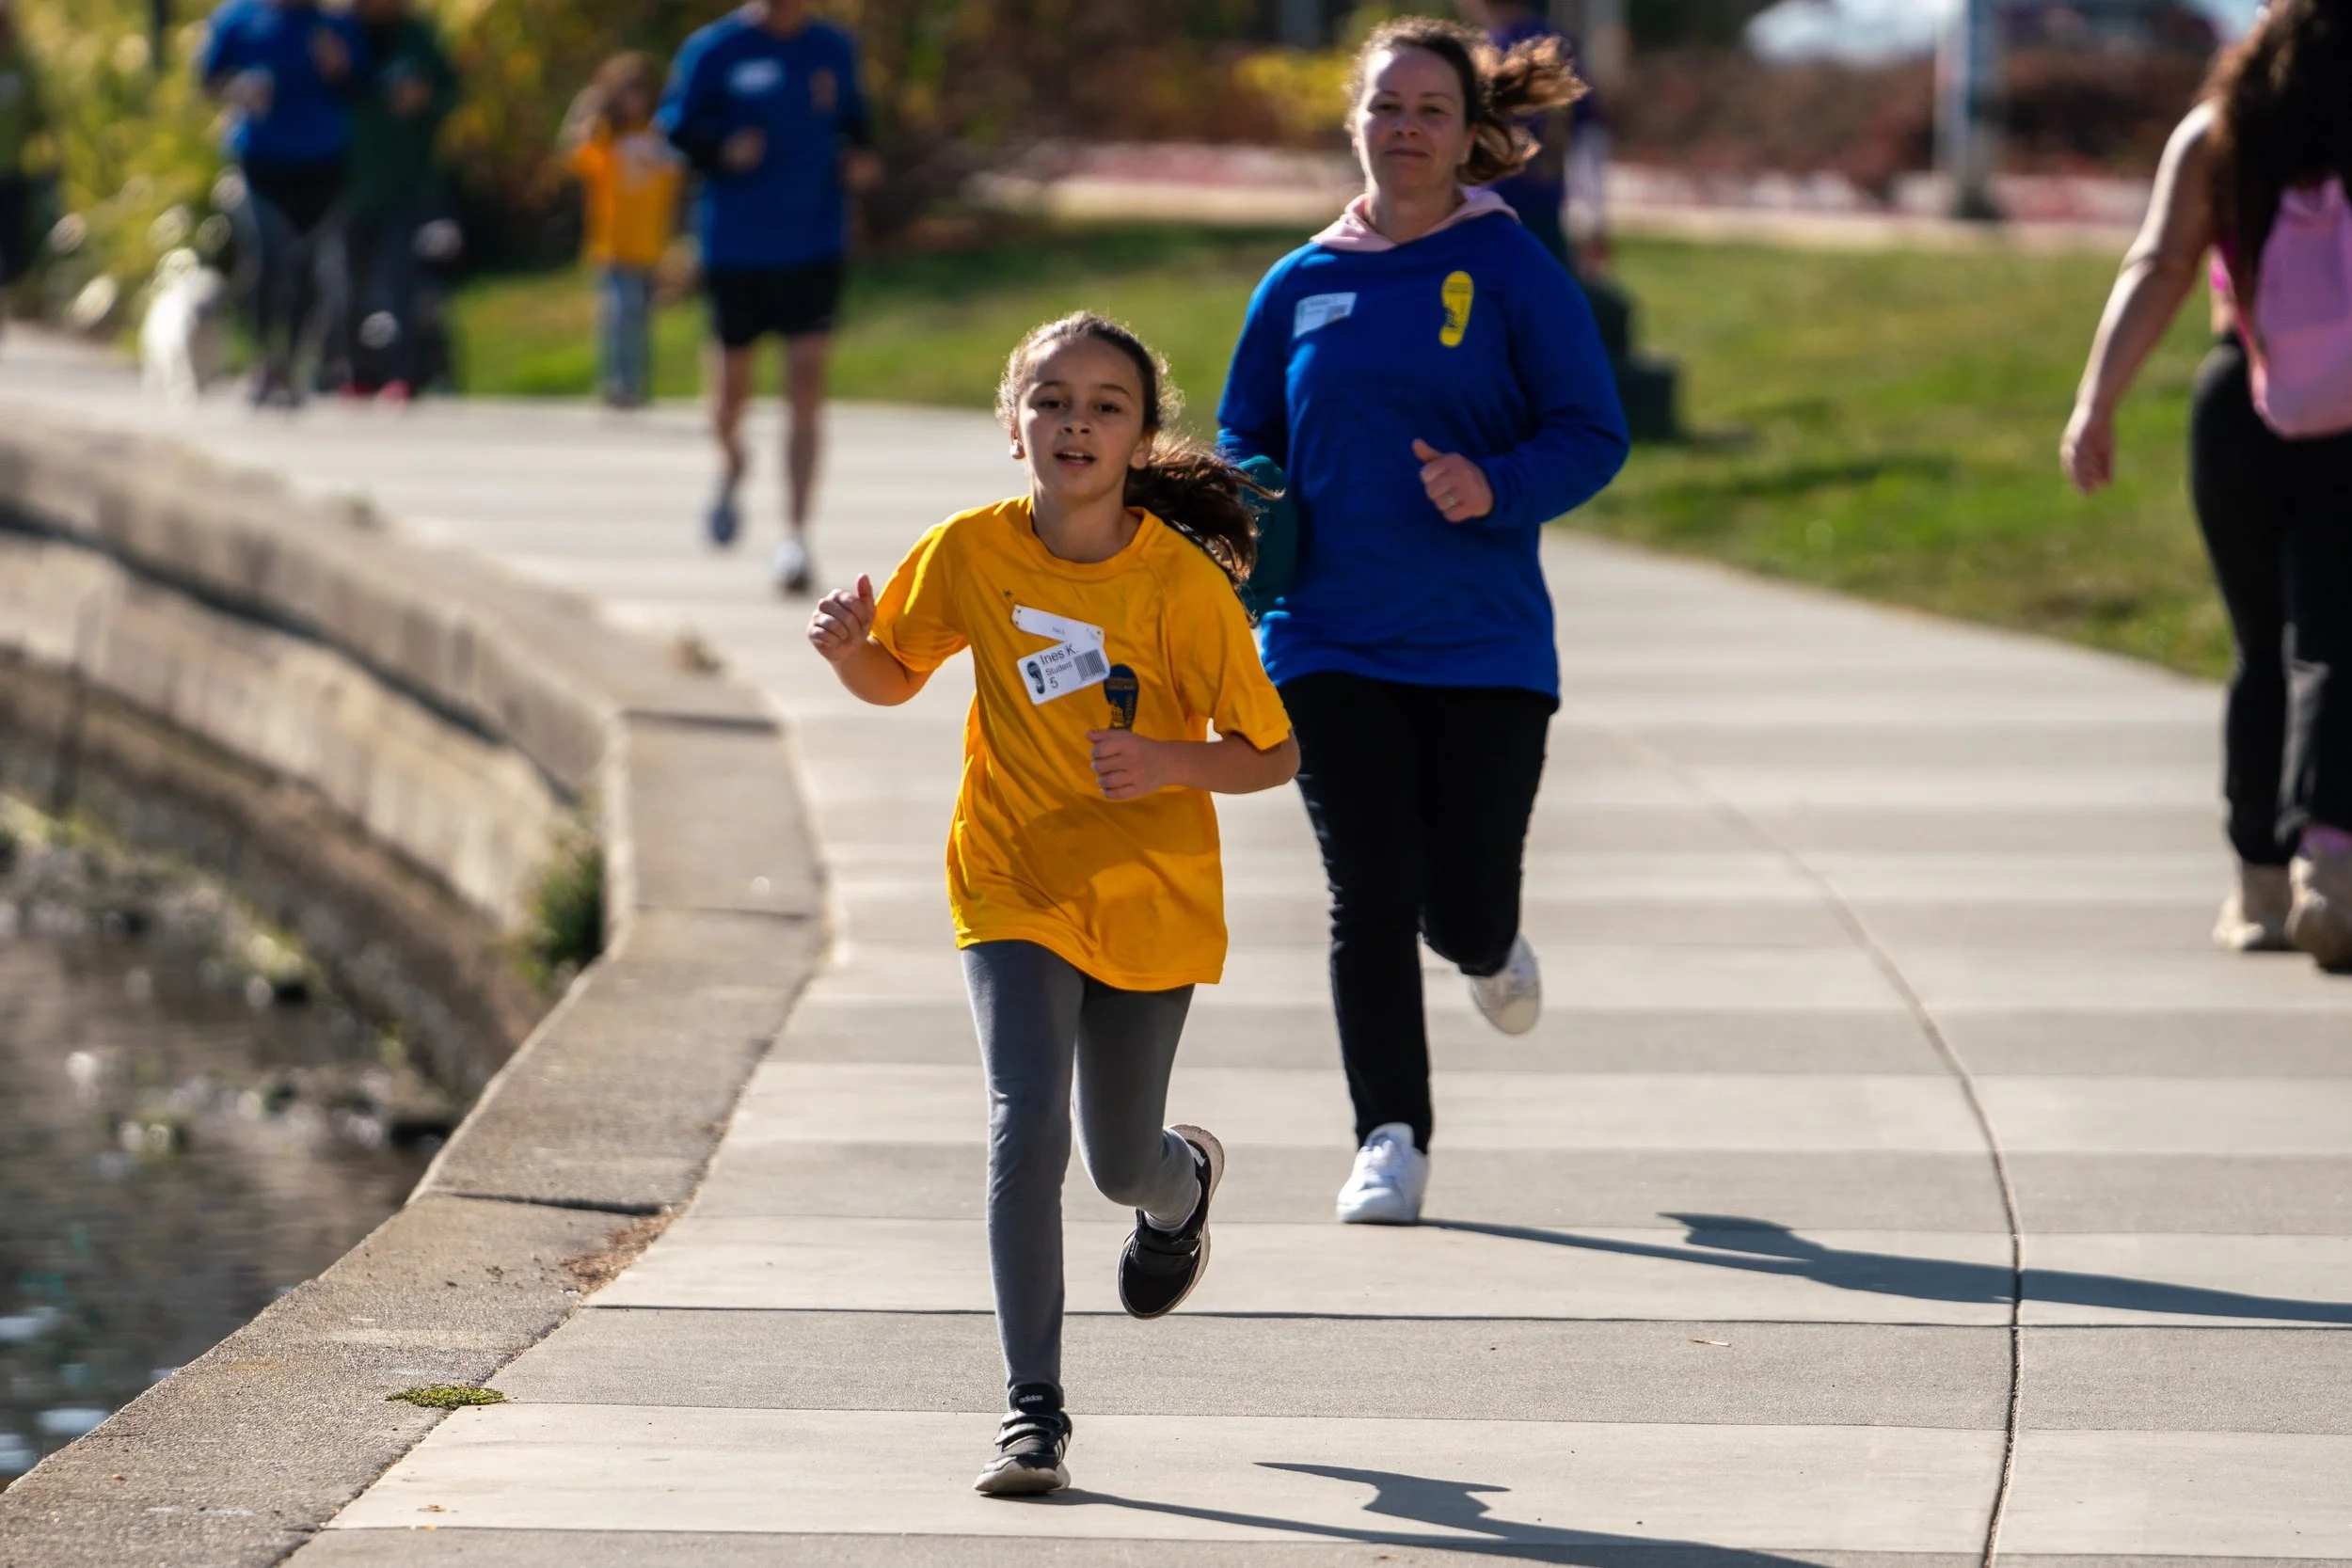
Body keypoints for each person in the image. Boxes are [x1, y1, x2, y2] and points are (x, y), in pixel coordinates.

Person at [806, 312, 1299, 1496]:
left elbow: (1272, 754)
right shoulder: (970, 552)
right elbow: (894, 673)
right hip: (1010, 877)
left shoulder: (1180, 586)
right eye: (1051, 400)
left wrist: (1171, 764)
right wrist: (843, 653)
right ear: (1012, 423)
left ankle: (1178, 1188)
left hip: (1148, 894)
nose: (1074, 421)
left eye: (1104, 404)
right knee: (1024, 1129)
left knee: (1117, 1161)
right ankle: (1033, 1412)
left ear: (1139, 437)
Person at [1217, 17, 1629, 1227]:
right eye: (1385, 106)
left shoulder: (1510, 271)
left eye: (1430, 110)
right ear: (1355, 122)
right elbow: (1246, 434)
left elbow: (1590, 430)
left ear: (1467, 136)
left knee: (1460, 906)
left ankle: (1493, 945)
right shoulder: (1299, 283)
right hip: (1326, 633)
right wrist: (1246, 499)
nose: (1404, 128)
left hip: (1484, 640)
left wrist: (1493, 484)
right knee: (1370, 891)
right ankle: (1388, 1135)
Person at [2061, 0, 2352, 969]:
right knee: (2335, 640)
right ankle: (2332, 861)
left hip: (2241, 398)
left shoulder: (2218, 132)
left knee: (2256, 645)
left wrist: (2096, 401)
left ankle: (2258, 889)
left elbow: (2159, 262)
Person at [660, 0, 881, 594]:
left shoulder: (832, 48)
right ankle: (732, 461)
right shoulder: (715, 49)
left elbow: (857, 125)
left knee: (806, 386)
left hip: (813, 241)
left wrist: (860, 162)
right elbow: (676, 128)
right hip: (735, 244)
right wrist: (722, 147)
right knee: (732, 392)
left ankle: (795, 536)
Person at [199, 0, 368, 407]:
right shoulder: (238, 20)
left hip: (322, 163)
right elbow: (209, 81)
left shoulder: (334, 25)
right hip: (259, 163)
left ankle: (290, 364)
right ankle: (261, 360)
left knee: (308, 266)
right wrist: (237, 89)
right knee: (268, 255)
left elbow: (360, 88)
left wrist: (338, 68)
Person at [338, 0, 456, 401]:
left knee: (401, 281)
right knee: (348, 283)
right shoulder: (337, 32)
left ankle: (404, 373)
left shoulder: (415, 37)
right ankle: (356, 371)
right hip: (345, 181)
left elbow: (448, 91)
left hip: (406, 181)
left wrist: (424, 100)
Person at [564, 53, 683, 409]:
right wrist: (586, 108)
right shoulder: (606, 140)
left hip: (649, 244)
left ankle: (637, 383)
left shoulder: (659, 138)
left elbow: (675, 186)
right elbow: (575, 152)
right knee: (618, 314)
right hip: (611, 244)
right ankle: (616, 382)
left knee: (640, 318)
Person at [1458, 0, 1609, 273]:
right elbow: (1588, 136)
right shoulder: (1559, 46)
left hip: (1489, 206)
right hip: (1545, 207)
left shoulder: (1489, 50)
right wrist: (1593, 217)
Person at [0, 0, 49, 352]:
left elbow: (38, 116)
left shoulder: (20, 67)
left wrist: (51, 155)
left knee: (14, 256)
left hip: (12, 172)